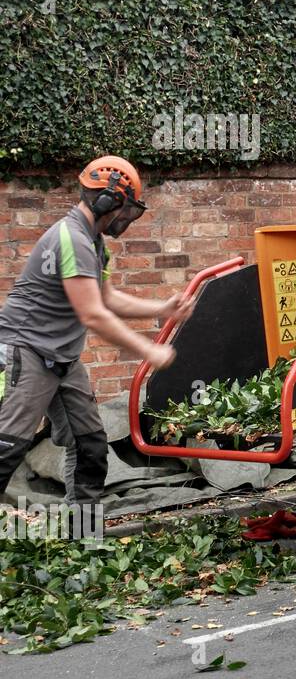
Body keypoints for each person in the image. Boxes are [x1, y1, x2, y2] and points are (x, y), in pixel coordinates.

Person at [0, 156, 193, 505]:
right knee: (6, 449)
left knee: (90, 446)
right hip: (27, 351)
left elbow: (106, 298)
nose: (126, 219)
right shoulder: (71, 239)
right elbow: (93, 315)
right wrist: (148, 350)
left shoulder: (93, 242)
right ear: (108, 200)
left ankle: (81, 540)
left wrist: (161, 309)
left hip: (62, 357)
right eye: (127, 209)